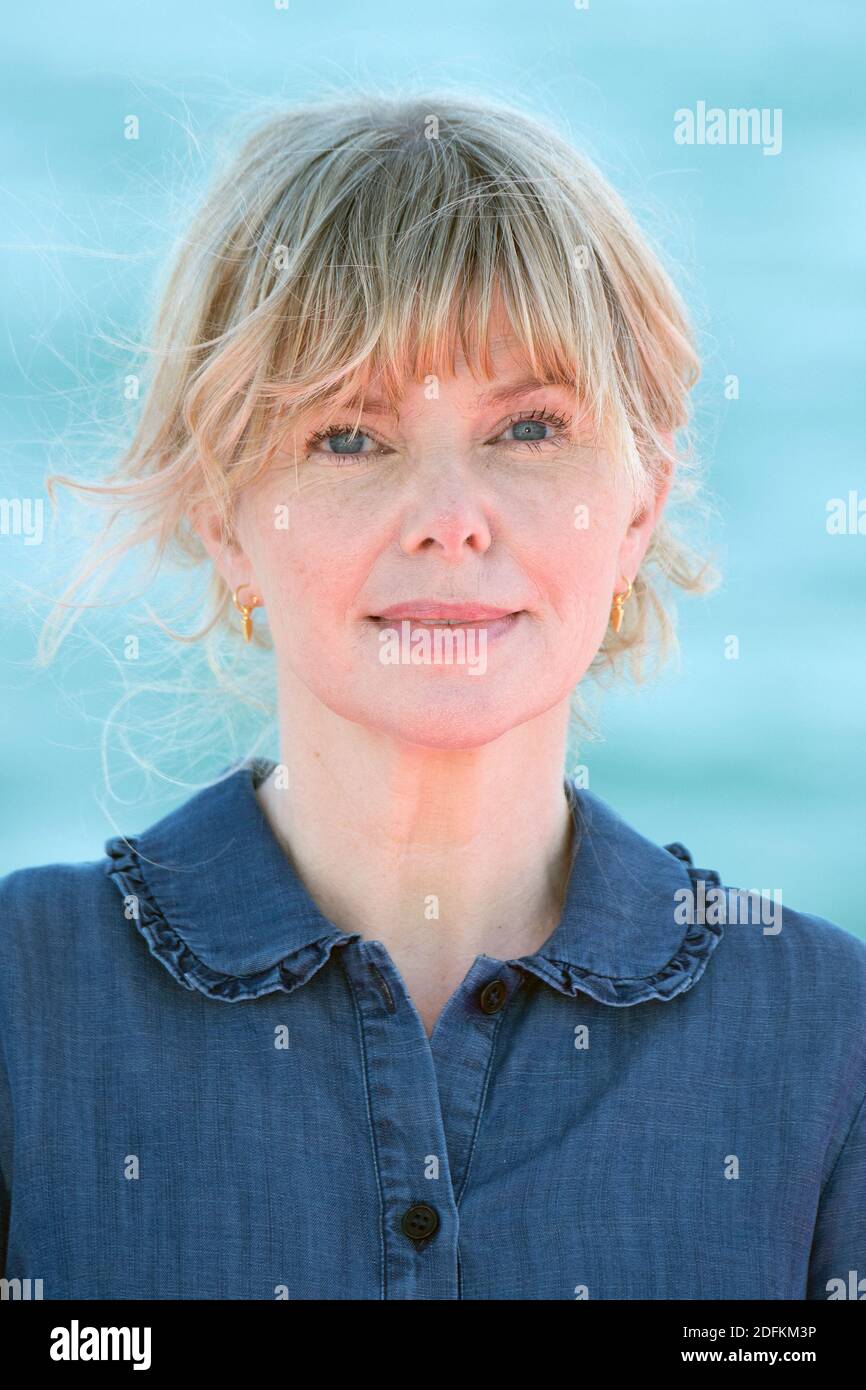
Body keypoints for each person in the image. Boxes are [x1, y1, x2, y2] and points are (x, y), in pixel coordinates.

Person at [1, 89, 863, 1302]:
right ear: (221, 518)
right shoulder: (24, 1002)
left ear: (638, 508)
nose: (450, 519)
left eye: (526, 428)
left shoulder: (828, 1040)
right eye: (350, 438)